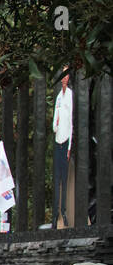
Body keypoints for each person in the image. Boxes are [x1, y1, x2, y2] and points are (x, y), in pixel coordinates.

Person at [54, 73, 73, 226]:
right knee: (57, 178)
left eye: (67, 75)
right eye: (63, 75)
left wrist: (70, 146)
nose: (64, 78)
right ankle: (56, 213)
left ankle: (65, 212)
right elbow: (55, 121)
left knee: (65, 179)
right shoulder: (59, 96)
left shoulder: (70, 95)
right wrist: (56, 124)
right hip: (58, 139)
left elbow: (71, 121)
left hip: (66, 140)